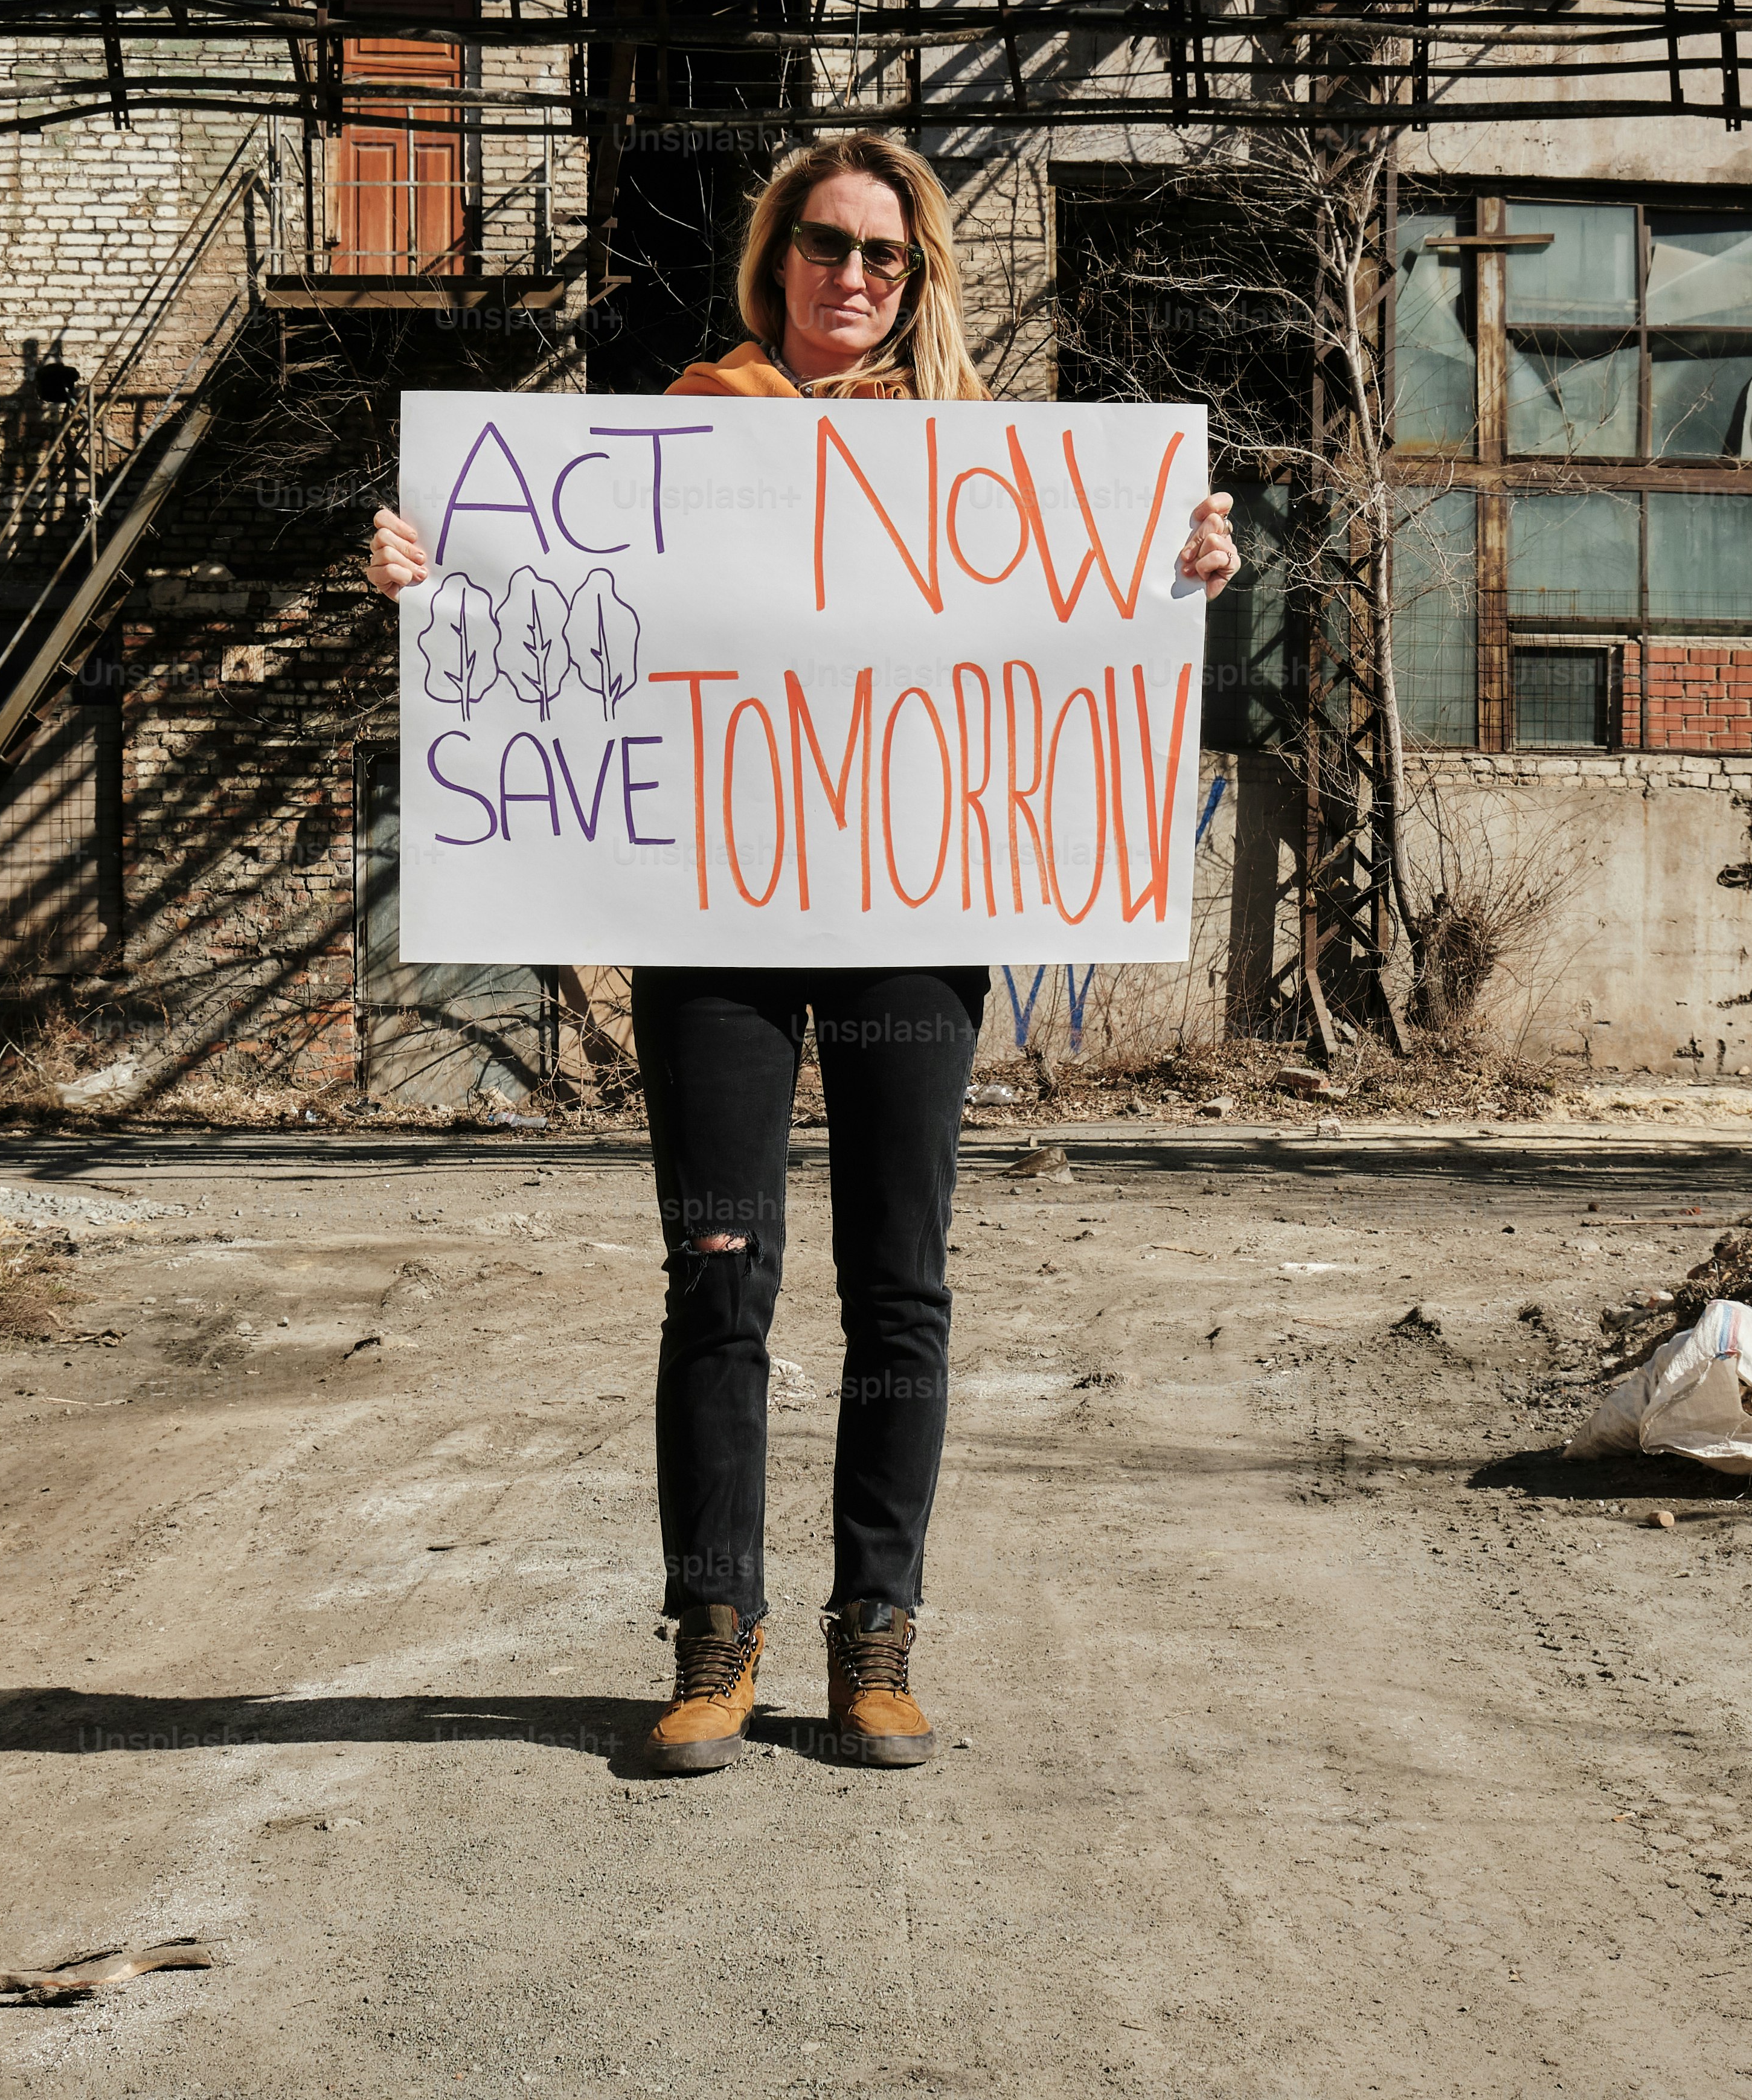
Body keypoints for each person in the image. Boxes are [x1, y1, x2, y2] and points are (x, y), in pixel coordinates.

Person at [366, 131, 1238, 1772]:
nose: (853, 276)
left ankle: (875, 1647)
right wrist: (428, 578)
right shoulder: (677, 435)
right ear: (777, 262)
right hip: (714, 933)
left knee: (899, 1286)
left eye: (885, 256)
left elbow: (1074, 627)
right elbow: (555, 608)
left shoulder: (989, 472)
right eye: (828, 246)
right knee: (719, 1281)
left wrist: (1177, 571)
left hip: (912, 922)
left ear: (920, 282)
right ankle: (715, 1643)